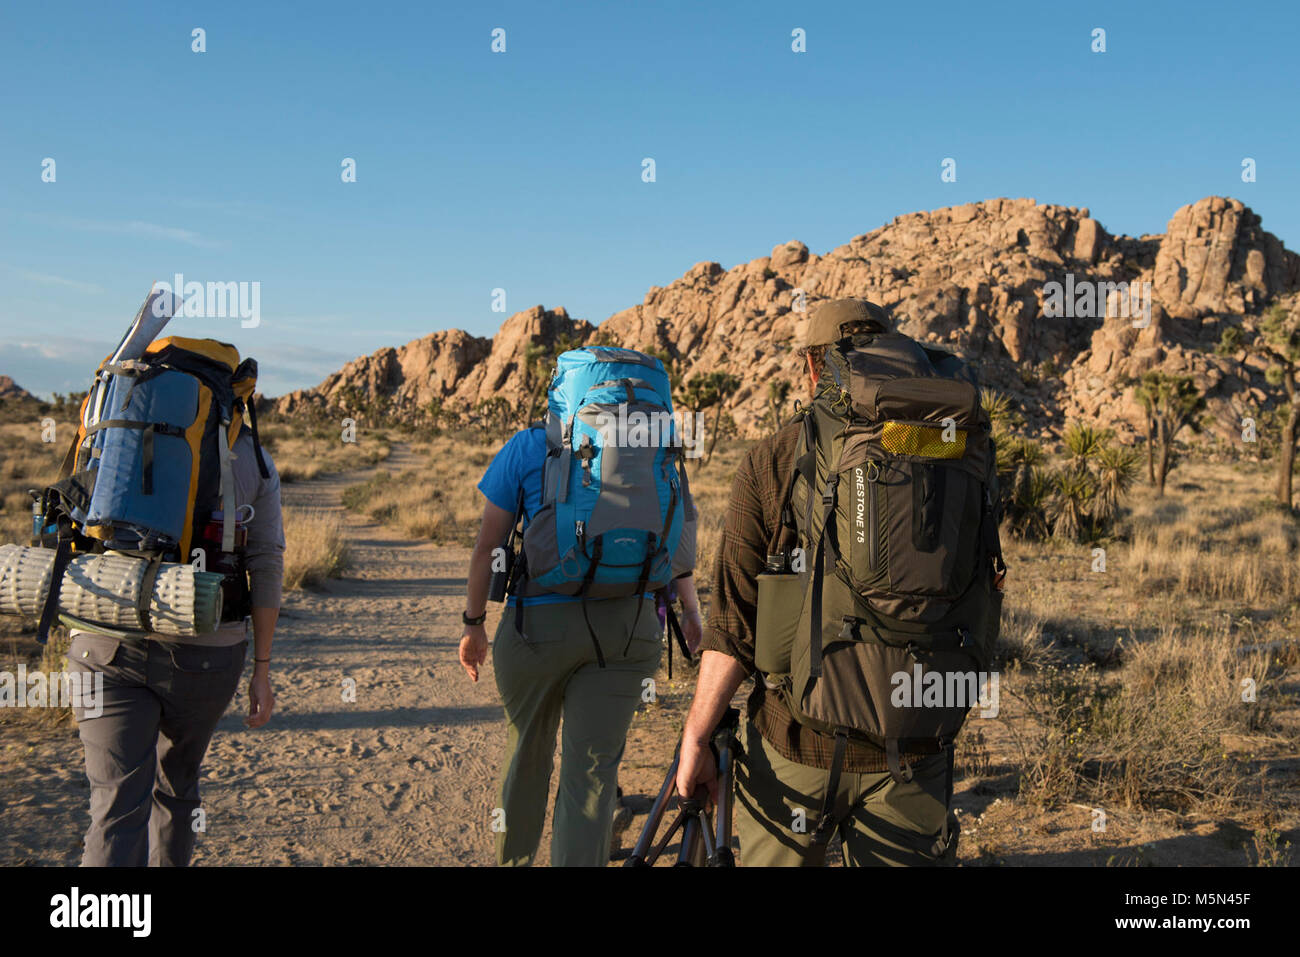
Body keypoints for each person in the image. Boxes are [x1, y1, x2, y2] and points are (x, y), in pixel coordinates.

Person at [675, 298, 960, 866]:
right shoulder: (948, 449)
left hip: (795, 744)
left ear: (813, 367)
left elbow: (734, 630)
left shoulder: (771, 459)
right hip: (916, 742)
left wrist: (697, 737)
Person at [459, 423, 702, 866]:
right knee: (592, 774)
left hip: (538, 625)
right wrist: (691, 612)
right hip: (629, 629)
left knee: (527, 753)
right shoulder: (657, 448)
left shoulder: (530, 444)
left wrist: (474, 623)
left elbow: (487, 546)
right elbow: (679, 546)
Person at [67, 424, 283, 867]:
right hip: (207, 650)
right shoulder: (252, 455)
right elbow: (266, 561)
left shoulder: (104, 426)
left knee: (114, 806)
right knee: (177, 788)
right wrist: (261, 669)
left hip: (103, 638)